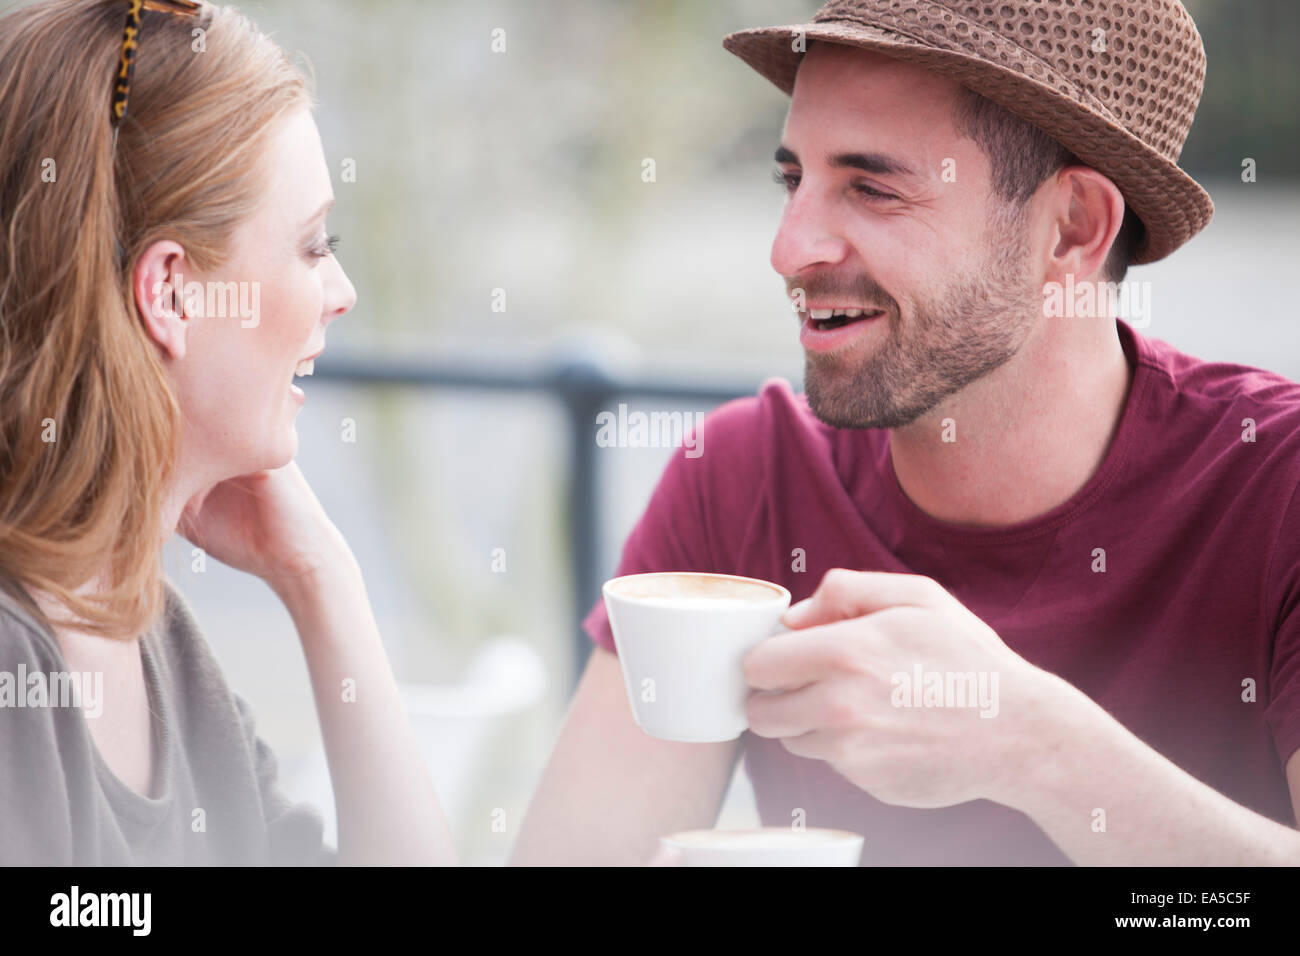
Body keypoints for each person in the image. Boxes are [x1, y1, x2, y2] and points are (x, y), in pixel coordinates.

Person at [513, 0, 1300, 865]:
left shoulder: (1278, 487)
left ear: (1073, 226)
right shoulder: (743, 476)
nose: (788, 248)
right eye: (792, 180)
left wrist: (1033, 746)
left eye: (873, 187)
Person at [0, 0, 454, 865]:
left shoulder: (159, 642)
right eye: (314, 245)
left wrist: (324, 582)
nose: (342, 289)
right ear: (171, 292)